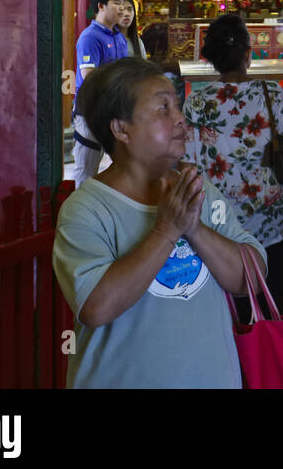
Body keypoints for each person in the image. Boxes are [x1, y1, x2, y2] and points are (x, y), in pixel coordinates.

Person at [52, 57, 266, 388]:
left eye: (176, 106)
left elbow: (250, 278)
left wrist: (194, 229)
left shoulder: (198, 190)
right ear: (121, 129)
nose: (180, 118)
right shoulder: (86, 209)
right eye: (162, 109)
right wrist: (167, 231)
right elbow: (95, 306)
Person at [183, 13, 283, 319]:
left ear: (212, 58)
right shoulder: (271, 94)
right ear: (247, 55)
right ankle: (271, 361)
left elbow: (186, 165)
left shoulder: (195, 104)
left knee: (230, 309)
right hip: (275, 223)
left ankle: (237, 363)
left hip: (218, 226)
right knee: (274, 303)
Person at [69, 0, 132, 185]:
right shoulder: (90, 37)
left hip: (114, 109)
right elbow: (89, 75)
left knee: (122, 165)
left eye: (124, 4)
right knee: (87, 167)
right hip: (91, 110)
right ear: (101, 6)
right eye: (116, 4)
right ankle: (79, 213)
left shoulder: (119, 37)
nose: (122, 9)